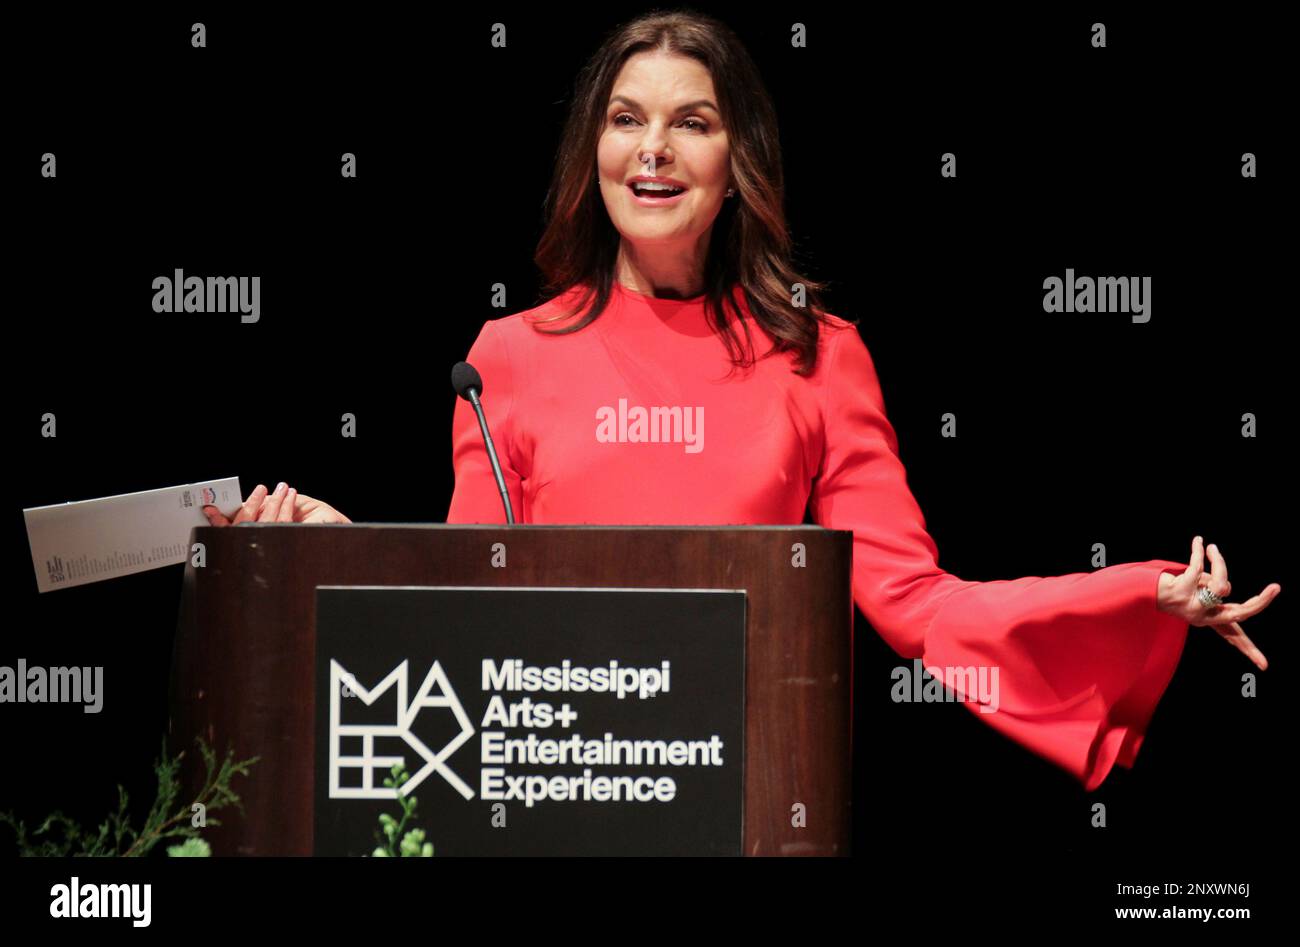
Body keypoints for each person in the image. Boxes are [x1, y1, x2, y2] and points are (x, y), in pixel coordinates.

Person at [203, 11, 1279, 790]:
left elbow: (915, 605)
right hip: (539, 777)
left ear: (737, 162)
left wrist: (1131, 593)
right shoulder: (507, 353)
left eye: (691, 122)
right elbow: (470, 593)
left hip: (738, 782)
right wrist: (333, 549)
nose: (653, 149)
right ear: (595, 152)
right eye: (625, 120)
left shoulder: (816, 354)